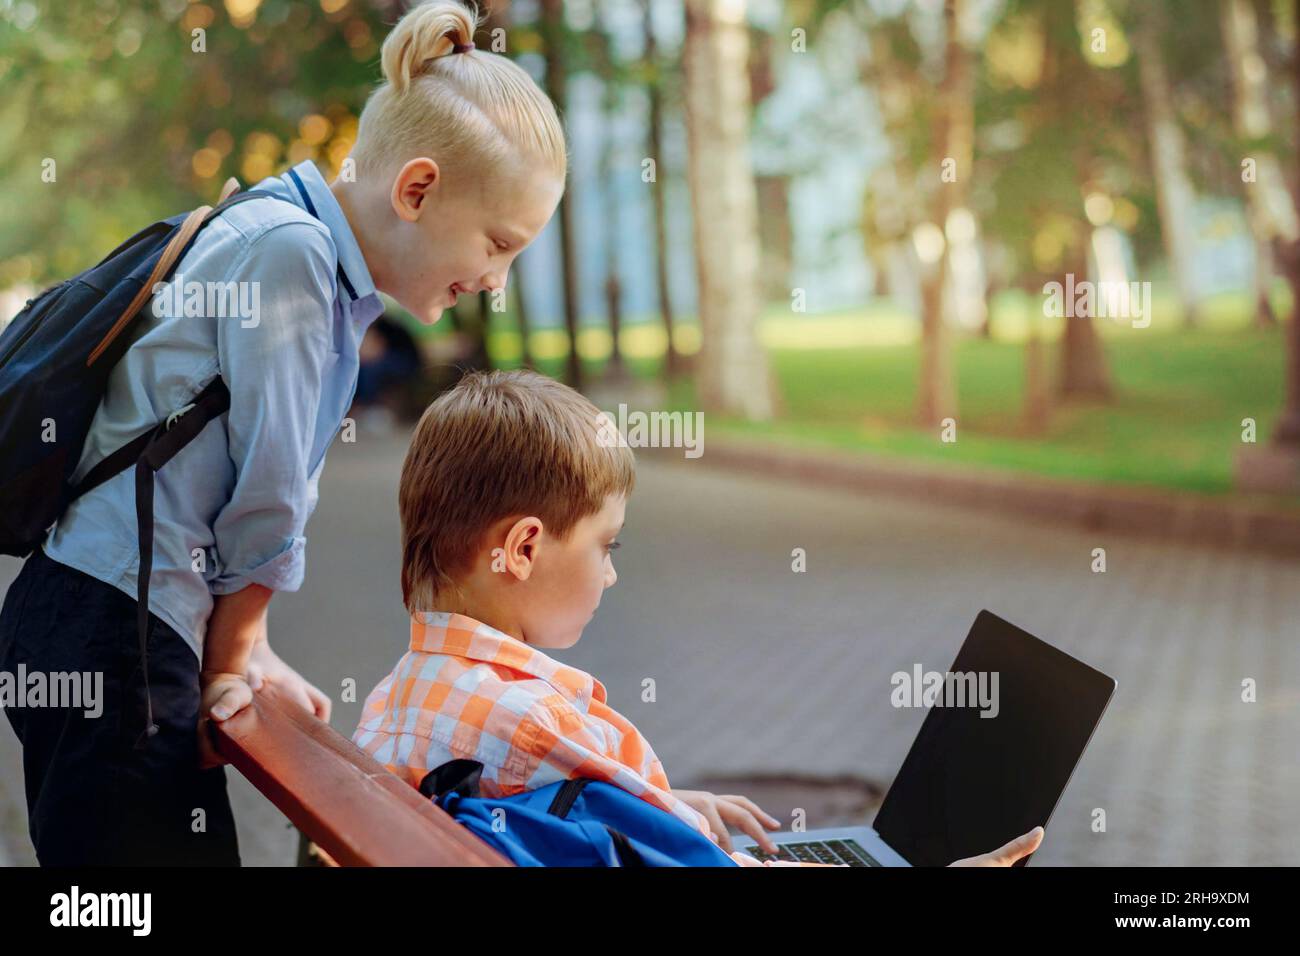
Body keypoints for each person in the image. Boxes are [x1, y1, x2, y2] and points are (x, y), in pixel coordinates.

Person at [0, 0, 565, 865]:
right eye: (499, 244)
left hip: (108, 620)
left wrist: (243, 656)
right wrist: (234, 658)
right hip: (114, 633)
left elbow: (215, 469)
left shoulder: (281, 227)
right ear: (416, 190)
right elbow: (267, 491)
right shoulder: (294, 256)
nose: (496, 279)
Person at [353, 369, 1044, 867]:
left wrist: (667, 810)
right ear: (524, 547)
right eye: (606, 545)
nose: (612, 572)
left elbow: (550, 819)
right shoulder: (545, 725)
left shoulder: (393, 702)